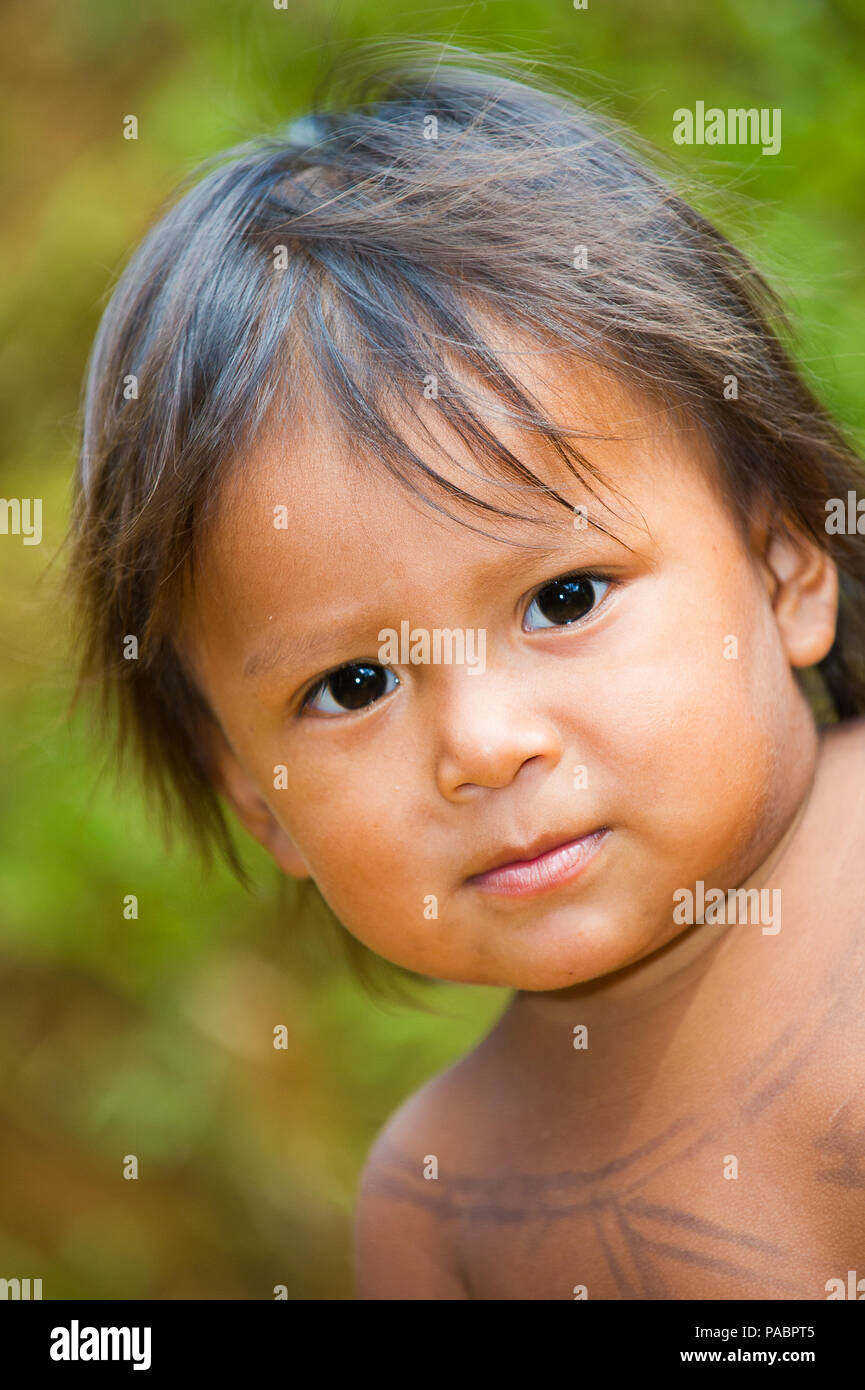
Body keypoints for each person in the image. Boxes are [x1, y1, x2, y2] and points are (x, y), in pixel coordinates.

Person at [69, 42, 865, 1299]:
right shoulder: (441, 1206)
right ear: (254, 793)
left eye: (562, 598)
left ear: (784, 567)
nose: (485, 744)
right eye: (351, 686)